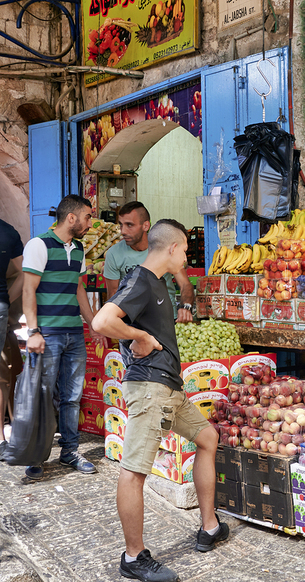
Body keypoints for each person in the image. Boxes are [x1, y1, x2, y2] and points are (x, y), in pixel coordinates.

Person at [93, 220, 228, 582]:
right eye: (184, 250)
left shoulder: (156, 283)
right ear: (171, 247)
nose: (186, 258)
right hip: (150, 388)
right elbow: (102, 321)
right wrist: (139, 336)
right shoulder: (139, 280)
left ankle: (210, 526)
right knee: (134, 471)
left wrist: (141, 336)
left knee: (207, 438)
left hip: (169, 387)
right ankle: (133, 557)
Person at [21, 195, 99, 480]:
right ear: (71, 218)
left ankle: (69, 451)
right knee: (43, 397)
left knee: (72, 397)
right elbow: (28, 290)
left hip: (74, 333)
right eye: (87, 217)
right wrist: (33, 331)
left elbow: (79, 289)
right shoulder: (39, 245)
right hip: (47, 334)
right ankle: (37, 456)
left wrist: (92, 323)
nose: (90, 224)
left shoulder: (78, 248)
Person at [105, 202, 195, 323]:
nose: (123, 231)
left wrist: (185, 306)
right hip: (134, 323)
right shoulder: (114, 254)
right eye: (121, 225)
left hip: (167, 319)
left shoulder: (162, 247)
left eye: (130, 225)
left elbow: (185, 284)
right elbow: (113, 294)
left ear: (145, 226)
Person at [0, 218, 24, 449]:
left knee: (6, 371)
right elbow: (24, 273)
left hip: (5, 315)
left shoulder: (8, 233)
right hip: (4, 311)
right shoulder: (8, 232)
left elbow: (22, 274)